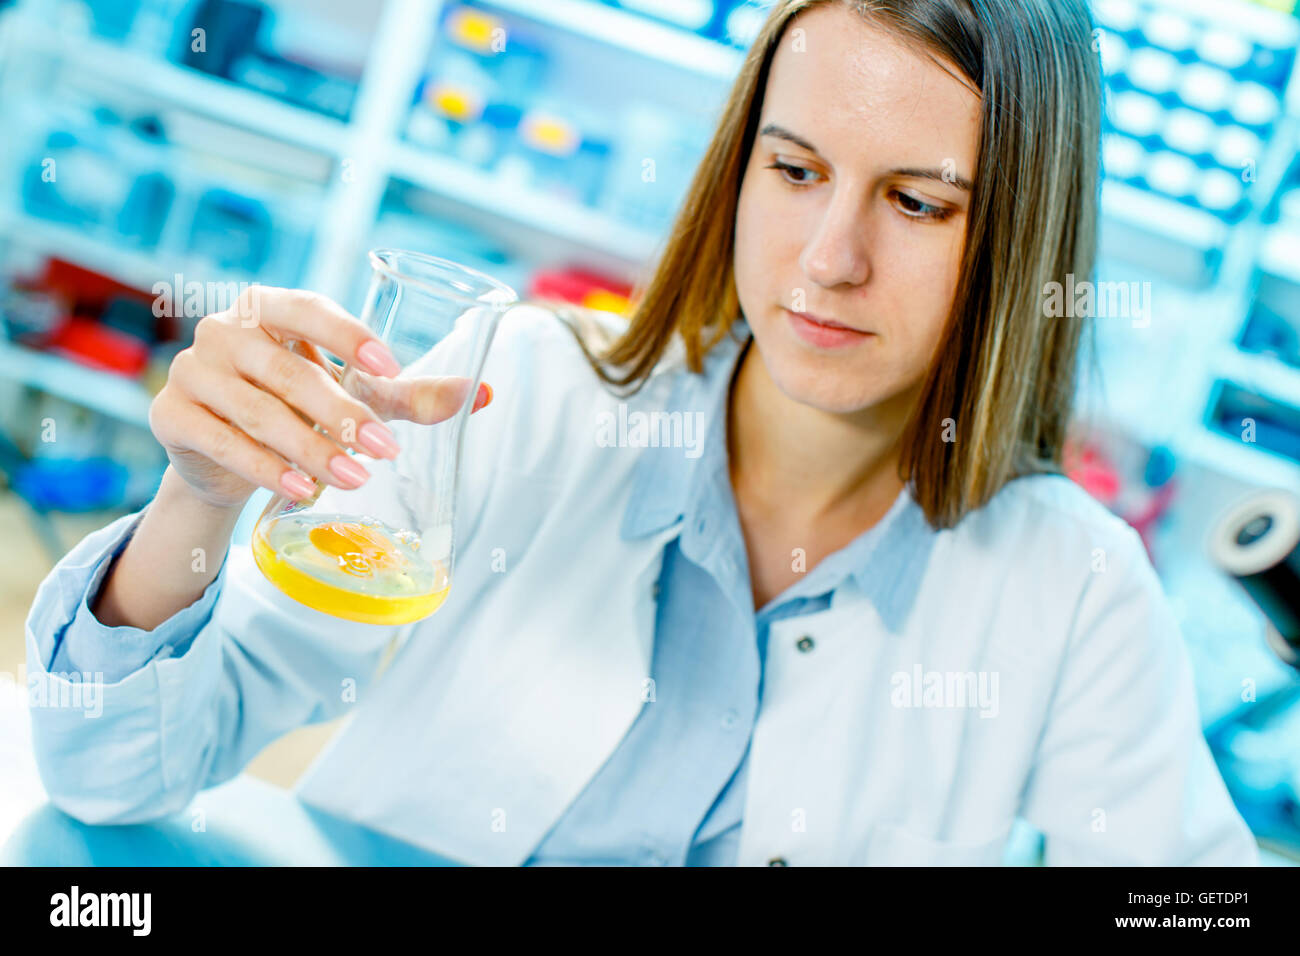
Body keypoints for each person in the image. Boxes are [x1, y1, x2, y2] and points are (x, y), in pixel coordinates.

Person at [25, 0, 1257, 865]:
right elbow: (111, 777)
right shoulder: (514, 395)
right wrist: (196, 500)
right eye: (792, 171)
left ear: (1016, 242)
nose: (829, 261)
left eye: (918, 201)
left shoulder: (1072, 584)